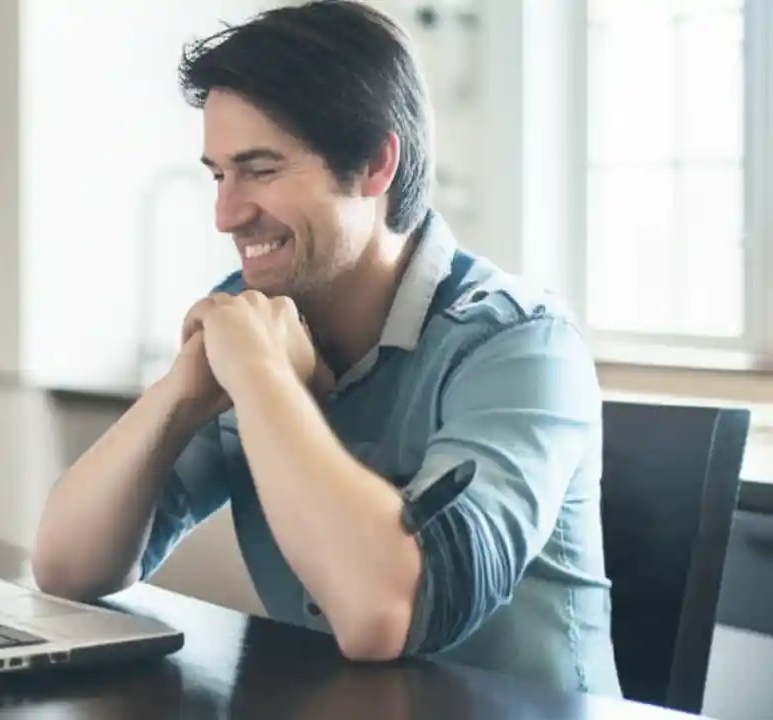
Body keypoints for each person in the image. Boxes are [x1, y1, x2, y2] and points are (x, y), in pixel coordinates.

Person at [31, 0, 621, 697]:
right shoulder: (260, 319)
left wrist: (260, 381)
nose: (226, 214)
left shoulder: (521, 347)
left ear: (375, 164)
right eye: (219, 173)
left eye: (261, 169)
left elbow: (383, 616)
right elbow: (67, 567)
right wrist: (181, 394)